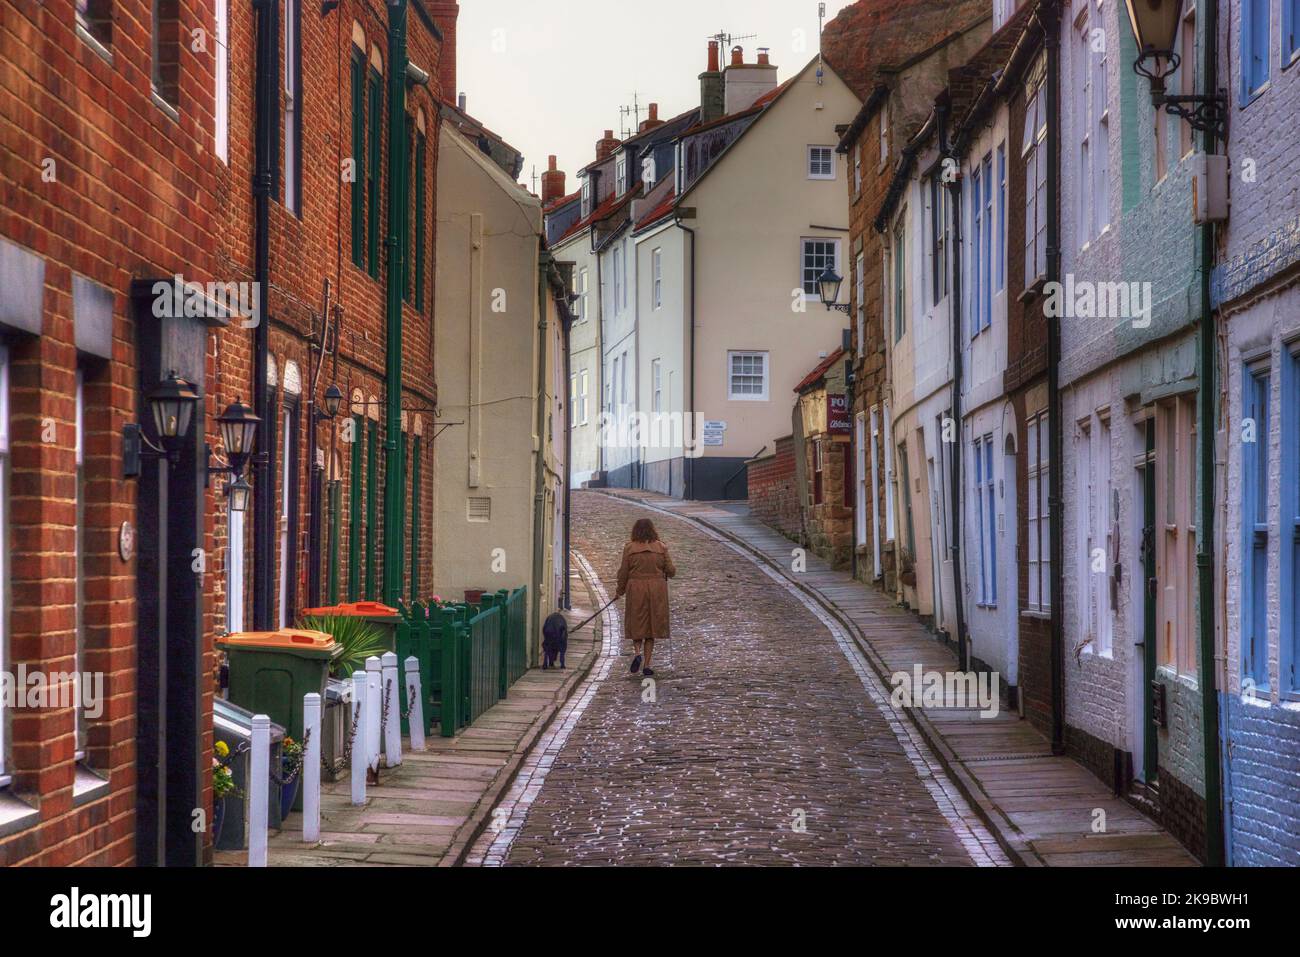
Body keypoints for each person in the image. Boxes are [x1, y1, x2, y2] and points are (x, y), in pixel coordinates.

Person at [615, 518, 676, 677]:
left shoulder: (629, 548)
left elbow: (623, 572)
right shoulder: (661, 547)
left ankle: (637, 653)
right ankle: (647, 664)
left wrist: (619, 591)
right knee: (651, 627)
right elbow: (671, 570)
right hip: (656, 590)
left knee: (637, 624)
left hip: (636, 589)